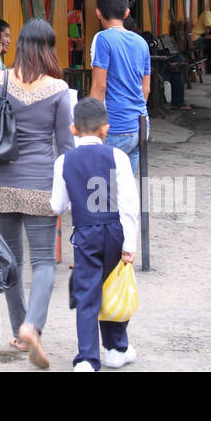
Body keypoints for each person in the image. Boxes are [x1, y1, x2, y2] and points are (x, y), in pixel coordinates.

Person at [0, 19, 74, 368]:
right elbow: (66, 147)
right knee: (43, 264)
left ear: (20, 45)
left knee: (10, 260)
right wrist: (72, 191)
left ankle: (18, 330)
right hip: (40, 185)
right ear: (49, 49)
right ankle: (32, 326)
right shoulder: (58, 89)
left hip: (1, 184)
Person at [50, 97, 138, 372]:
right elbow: (129, 204)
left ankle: (87, 358)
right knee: (113, 286)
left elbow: (57, 206)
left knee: (87, 293)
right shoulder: (118, 157)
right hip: (115, 230)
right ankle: (115, 348)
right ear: (105, 129)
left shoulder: (64, 161)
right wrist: (130, 243)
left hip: (85, 232)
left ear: (73, 129)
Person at [90, 0, 151, 173]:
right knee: (124, 189)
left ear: (98, 12)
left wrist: (89, 125)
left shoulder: (102, 39)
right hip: (139, 125)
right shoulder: (141, 42)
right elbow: (145, 89)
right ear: (126, 13)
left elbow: (99, 86)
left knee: (102, 189)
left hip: (114, 126)